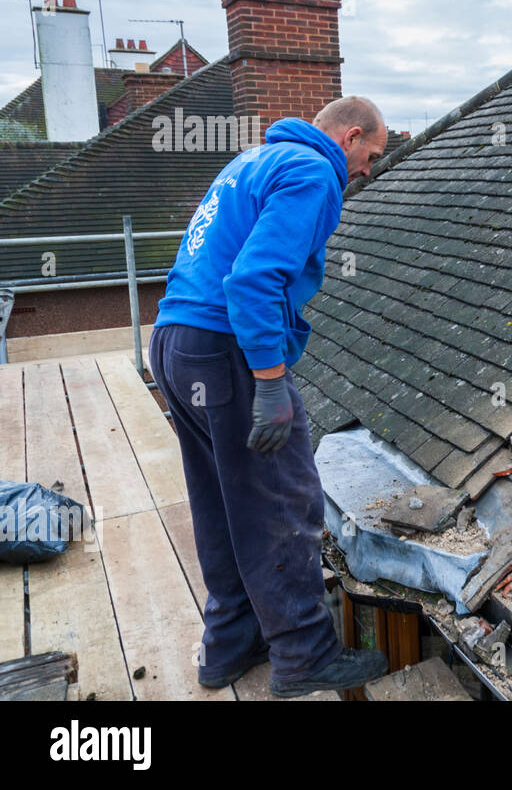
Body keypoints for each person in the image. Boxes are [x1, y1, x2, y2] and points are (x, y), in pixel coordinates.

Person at [149, 96, 389, 698]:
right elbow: (254, 279)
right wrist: (271, 381)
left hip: (175, 342)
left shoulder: (253, 160)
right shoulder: (312, 172)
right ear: (351, 136)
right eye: (372, 157)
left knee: (222, 499)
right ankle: (304, 654)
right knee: (283, 499)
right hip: (223, 347)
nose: (367, 172)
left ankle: (229, 646)